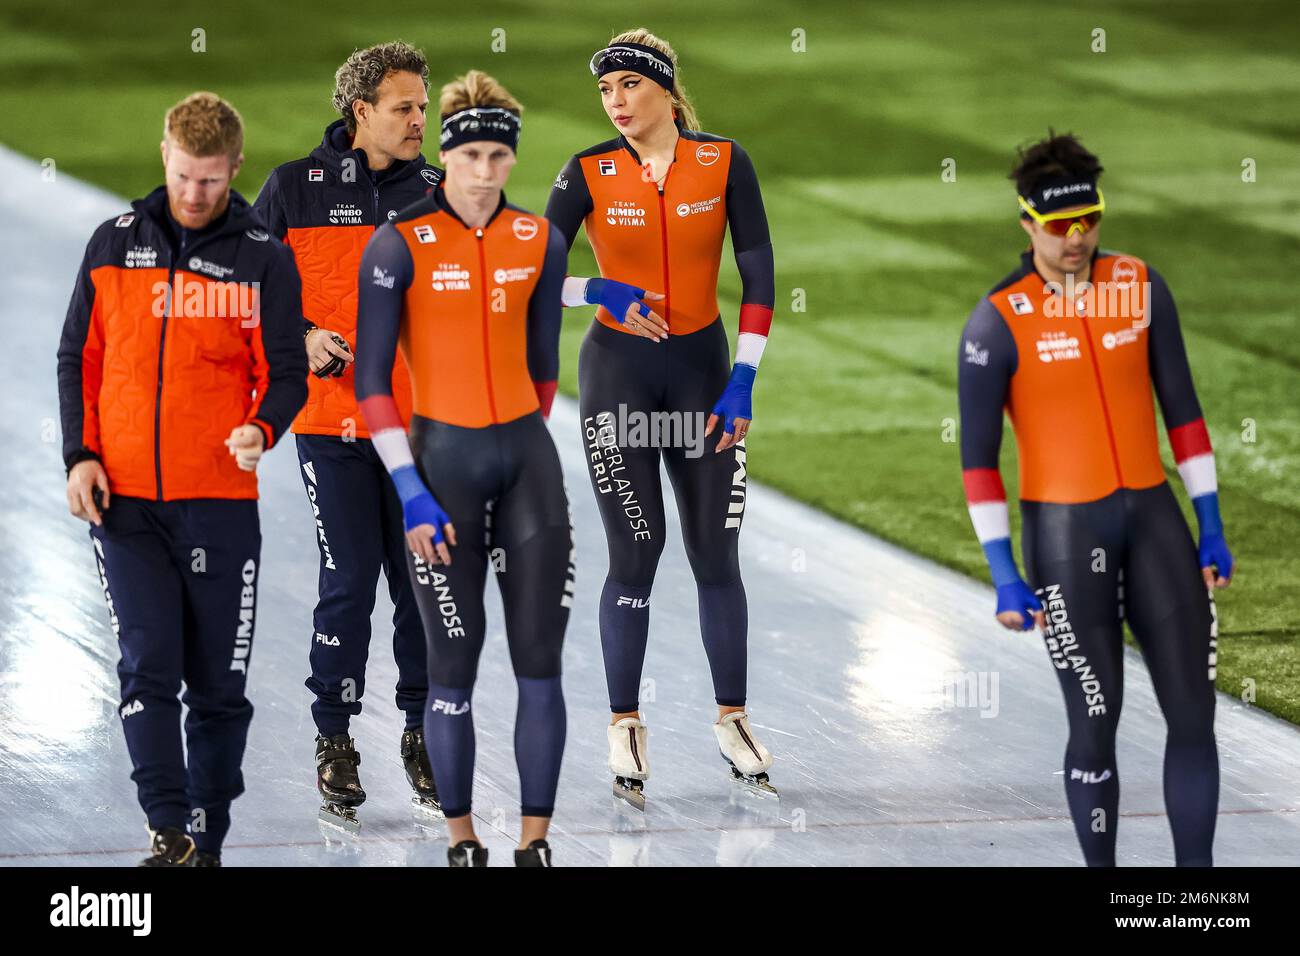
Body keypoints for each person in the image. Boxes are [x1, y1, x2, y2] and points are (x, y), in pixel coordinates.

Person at [957, 132, 1234, 867]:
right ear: (1026, 223)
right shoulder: (997, 321)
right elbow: (977, 464)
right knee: (1095, 719)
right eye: (1057, 226)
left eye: (1089, 220)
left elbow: (1185, 416)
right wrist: (1004, 571)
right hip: (1064, 531)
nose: (1075, 238)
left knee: (1194, 715)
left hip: (1157, 522)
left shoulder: (1142, 286)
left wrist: (1209, 524)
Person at [57, 92, 307, 866]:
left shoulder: (263, 255)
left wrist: (261, 428)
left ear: (235, 168)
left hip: (220, 506)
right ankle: (168, 830)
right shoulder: (111, 244)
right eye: (182, 176)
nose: (193, 194)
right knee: (147, 664)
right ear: (164, 156)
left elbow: (289, 371)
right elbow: (79, 359)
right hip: (125, 504)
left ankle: (209, 835)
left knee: (219, 688)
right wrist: (80, 455)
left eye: (209, 180)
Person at [544, 28, 777, 807]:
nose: (614, 103)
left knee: (717, 554)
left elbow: (759, 274)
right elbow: (530, 273)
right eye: (604, 91)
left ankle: (733, 719)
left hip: (706, 379)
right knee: (636, 553)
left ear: (666, 91)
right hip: (619, 382)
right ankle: (625, 725)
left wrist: (742, 379)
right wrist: (595, 292)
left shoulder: (724, 162)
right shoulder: (587, 172)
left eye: (628, 87)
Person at [356, 70, 573, 867]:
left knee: (539, 660)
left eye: (498, 156)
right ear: (446, 157)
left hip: (528, 467)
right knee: (453, 661)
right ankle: (461, 839)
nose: (485, 171)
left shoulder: (539, 240)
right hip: (440, 467)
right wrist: (410, 489)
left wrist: (520, 443)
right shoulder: (398, 244)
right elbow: (371, 385)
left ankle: (536, 842)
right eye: (472, 154)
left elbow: (546, 370)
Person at [252, 41, 444, 828]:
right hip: (332, 430)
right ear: (360, 112)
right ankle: (335, 740)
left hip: (427, 432)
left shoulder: (442, 190)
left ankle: (421, 732)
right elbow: (240, 287)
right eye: (404, 108)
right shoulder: (292, 188)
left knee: (423, 591)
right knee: (349, 582)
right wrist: (297, 335)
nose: (418, 122)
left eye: (424, 108)